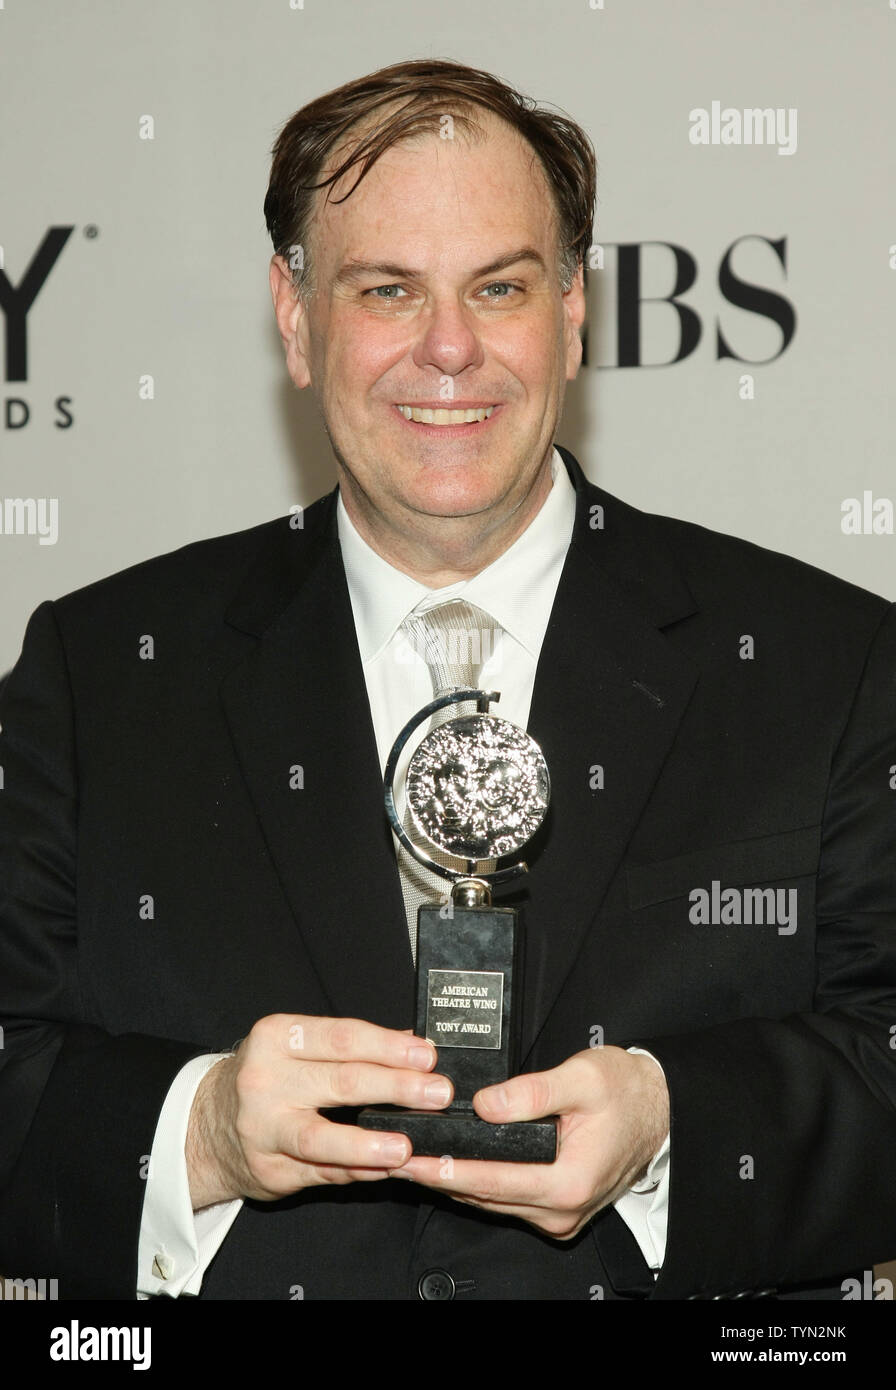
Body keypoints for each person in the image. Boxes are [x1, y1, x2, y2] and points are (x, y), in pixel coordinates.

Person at [0, 58, 894, 1302]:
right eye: (385, 289)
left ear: (574, 309)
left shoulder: (825, 664)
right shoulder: (98, 678)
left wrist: (670, 1124)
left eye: (500, 285)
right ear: (295, 318)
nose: (450, 347)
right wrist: (197, 1133)